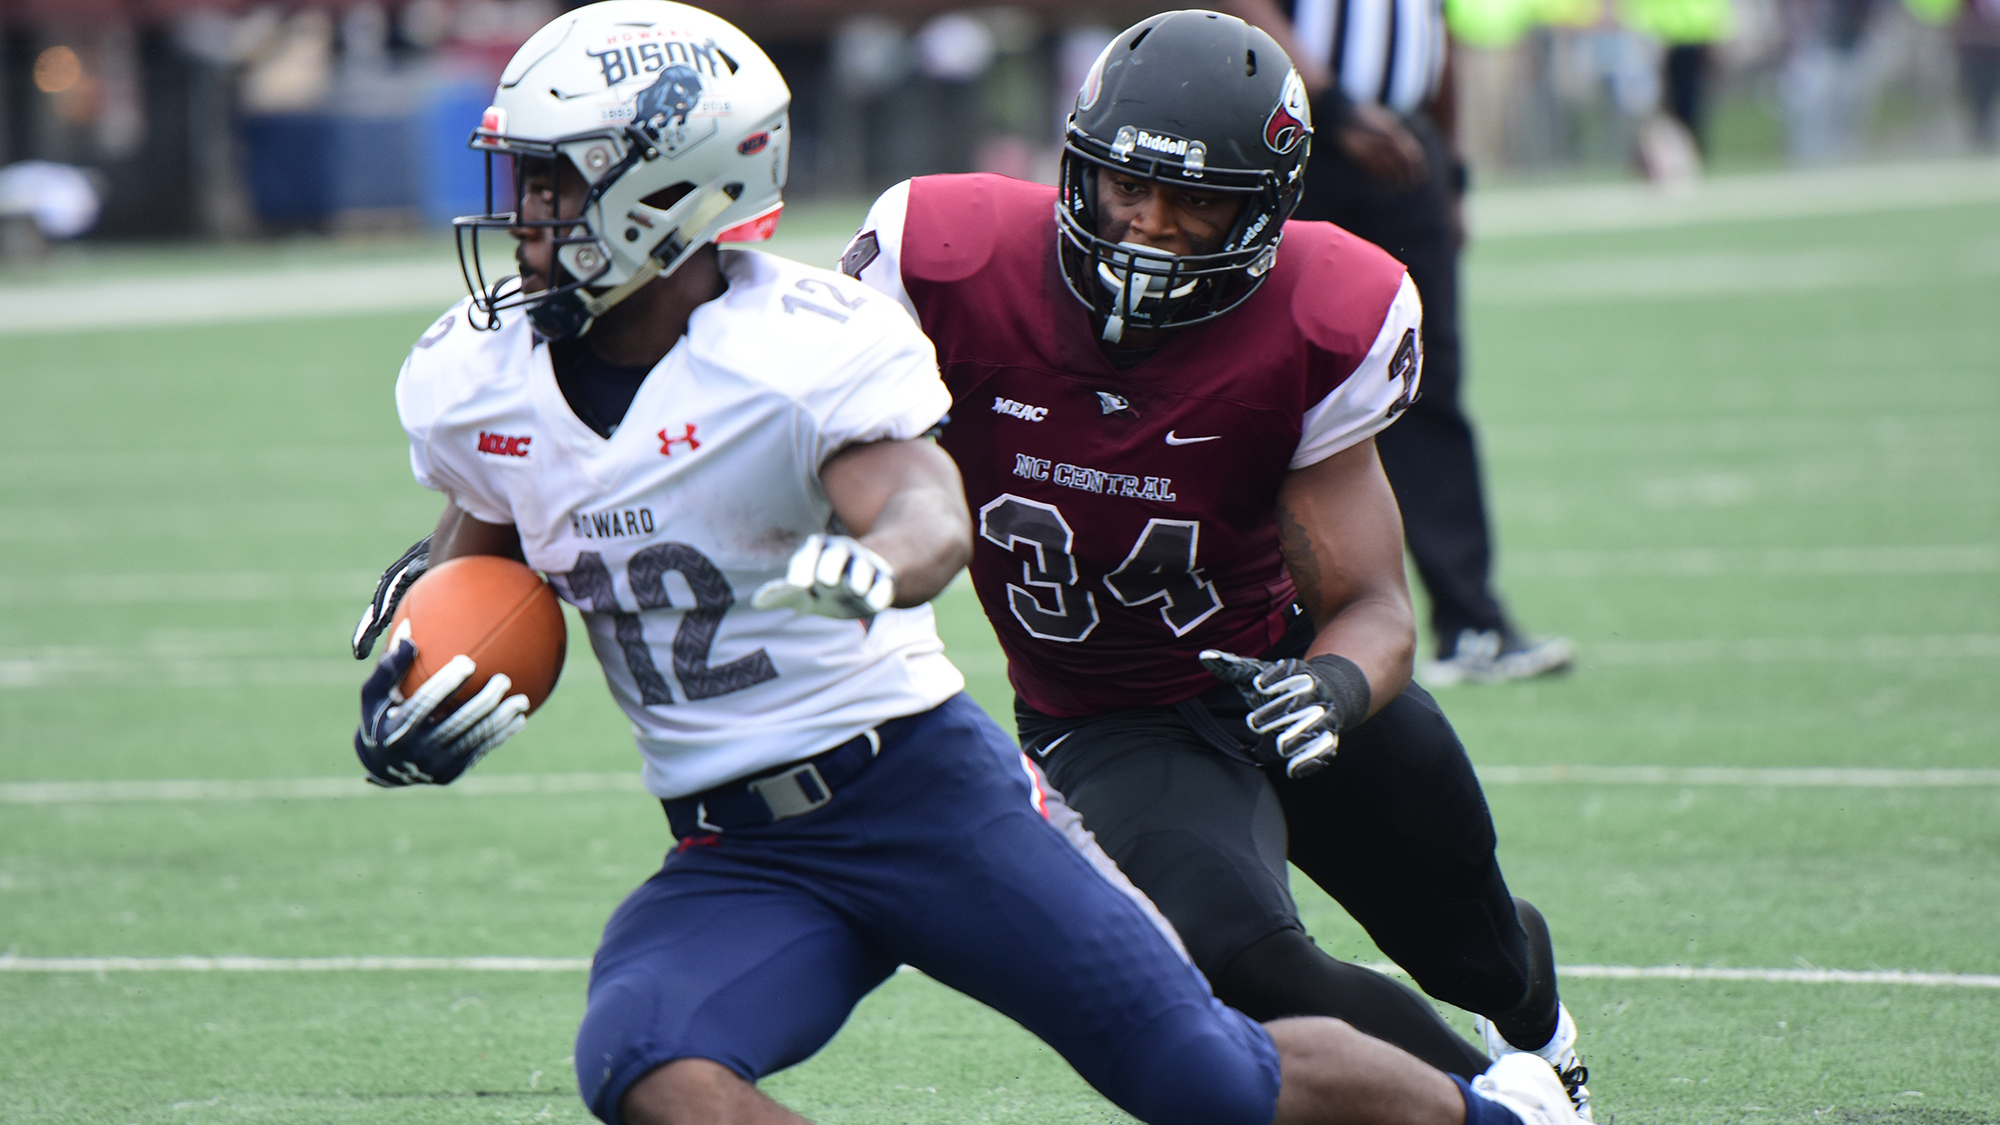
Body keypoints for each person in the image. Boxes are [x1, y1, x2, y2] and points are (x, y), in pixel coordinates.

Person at [345, 5, 1589, 1125]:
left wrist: (876, 569)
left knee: (1314, 1025)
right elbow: (487, 546)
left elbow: (923, 508)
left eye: (555, 186)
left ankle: (1517, 1086)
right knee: (650, 1061)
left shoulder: (799, 346)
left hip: (1043, 758)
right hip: (884, 788)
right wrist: (422, 659)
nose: (524, 217)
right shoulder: (487, 374)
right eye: (1123, 192)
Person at [839, 8, 1592, 1116]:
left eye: (1198, 201)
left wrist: (1331, 686)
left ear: (1268, 207)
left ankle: (1534, 1029)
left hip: (1282, 671)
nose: (1151, 227)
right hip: (1107, 713)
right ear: (1076, 167)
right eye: (1127, 189)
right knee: (1245, 967)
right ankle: (1503, 1105)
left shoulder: (1322, 312)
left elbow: (1376, 603)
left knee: (1476, 956)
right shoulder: (946, 260)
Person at [1214, 0, 1570, 684]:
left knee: (1427, 385)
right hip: (1312, 139)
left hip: (1406, 150)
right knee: (1278, 382)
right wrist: (1337, 109)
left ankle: (1471, 620)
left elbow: (1433, 35)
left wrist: (1451, 164)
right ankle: (1274, 623)